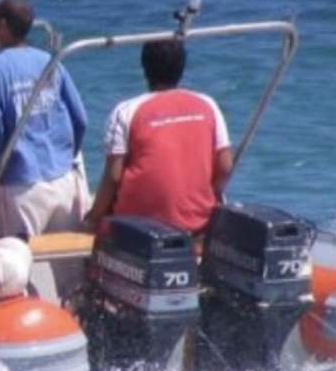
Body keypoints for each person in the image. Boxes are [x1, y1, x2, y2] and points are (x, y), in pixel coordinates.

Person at [84, 39, 233, 236]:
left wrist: (93, 219)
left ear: (145, 69)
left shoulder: (126, 111)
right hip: (198, 224)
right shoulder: (208, 105)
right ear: (182, 68)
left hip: (139, 228)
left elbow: (113, 176)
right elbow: (225, 166)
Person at [0, 0, 88, 239]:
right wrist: (66, 157)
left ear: (3, 26)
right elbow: (80, 118)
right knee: (70, 269)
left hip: (20, 185)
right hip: (63, 179)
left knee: (18, 264)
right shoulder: (51, 62)